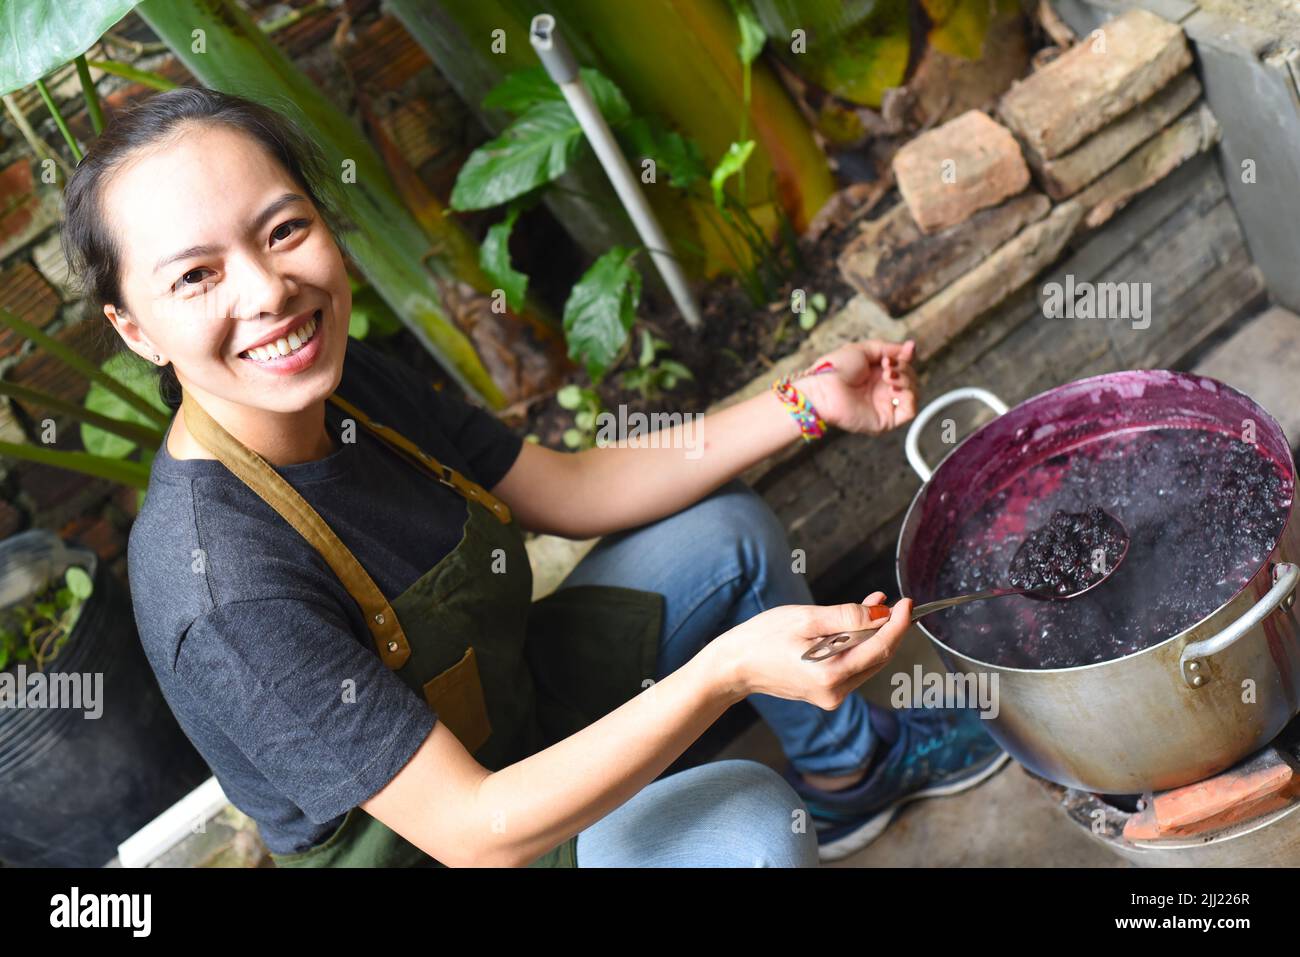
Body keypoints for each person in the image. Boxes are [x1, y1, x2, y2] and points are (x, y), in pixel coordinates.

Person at [61, 87, 1004, 868]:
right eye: (195, 277)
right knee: (748, 826)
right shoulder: (221, 592)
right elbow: (477, 831)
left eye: (282, 229)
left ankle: (851, 777)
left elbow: (574, 489)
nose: (267, 291)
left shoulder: (349, 379)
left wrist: (803, 401)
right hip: (453, 843)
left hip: (521, 714)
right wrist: (725, 674)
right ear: (134, 329)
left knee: (727, 537)